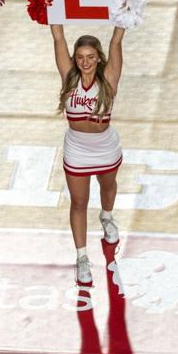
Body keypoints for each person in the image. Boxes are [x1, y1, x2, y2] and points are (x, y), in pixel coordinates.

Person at [51, 25, 125, 286]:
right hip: (77, 149)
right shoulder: (68, 77)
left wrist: (123, 18)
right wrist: (51, 7)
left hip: (105, 147)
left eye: (90, 57)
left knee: (108, 187)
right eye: (80, 57)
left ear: (99, 58)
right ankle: (82, 258)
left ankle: (106, 216)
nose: (85, 62)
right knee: (78, 202)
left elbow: (116, 42)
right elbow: (58, 36)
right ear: (74, 58)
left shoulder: (110, 78)